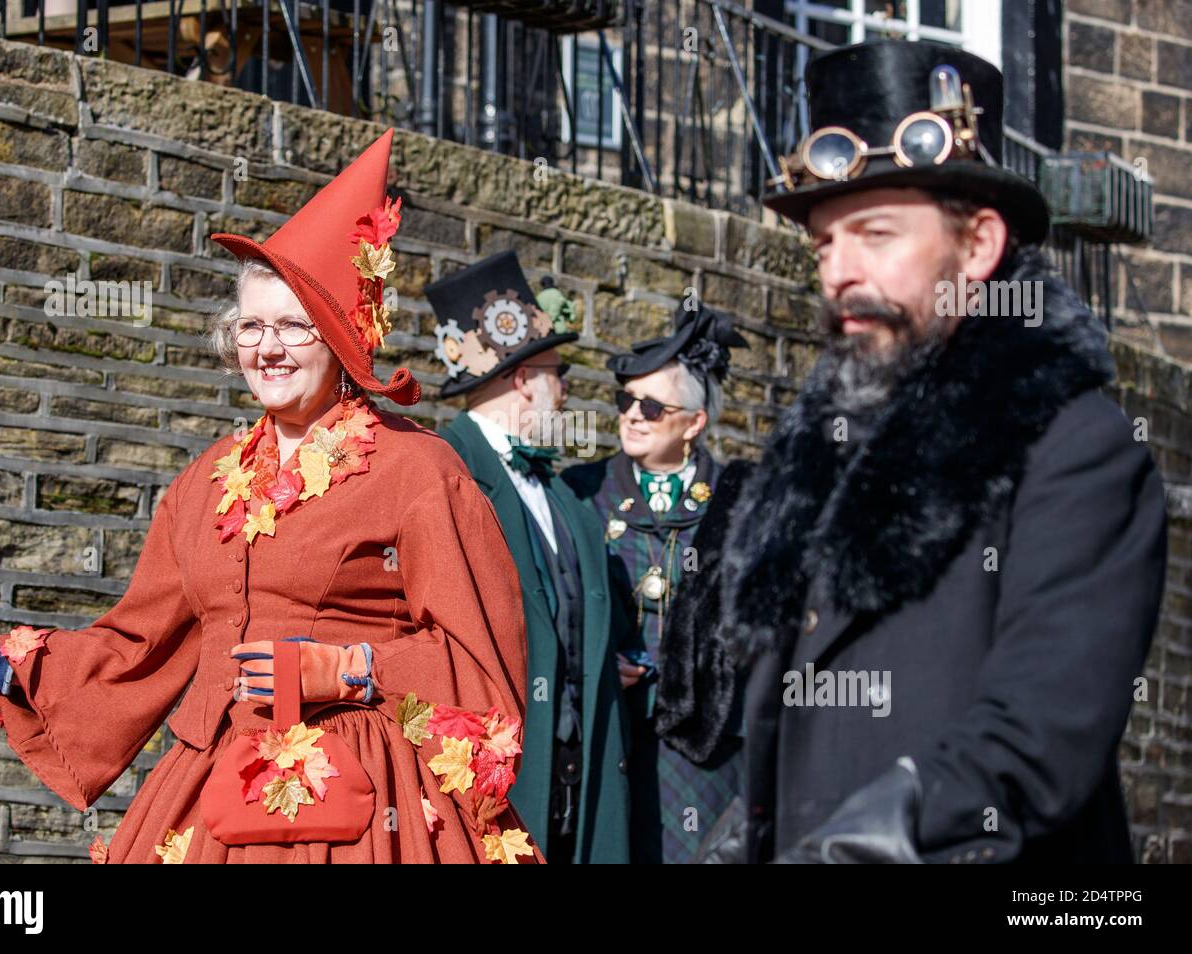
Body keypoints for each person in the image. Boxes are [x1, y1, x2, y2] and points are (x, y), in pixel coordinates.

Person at [0, 129, 542, 864]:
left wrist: (352, 669)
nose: (267, 348)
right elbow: (139, 645)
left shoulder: (419, 470)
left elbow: (482, 663)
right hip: (211, 794)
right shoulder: (204, 483)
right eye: (251, 326)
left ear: (342, 339)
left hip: (374, 803)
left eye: (293, 327)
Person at [685, 40, 1167, 863]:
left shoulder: (1078, 447)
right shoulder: (820, 461)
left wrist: (856, 848)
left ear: (978, 248)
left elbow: (1037, 739)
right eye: (824, 245)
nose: (839, 272)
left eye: (874, 233)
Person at [426, 251, 632, 863]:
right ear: (523, 379)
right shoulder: (444, 468)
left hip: (577, 771)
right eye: (558, 374)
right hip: (493, 776)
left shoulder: (564, 495)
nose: (565, 393)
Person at [562, 303, 748, 864]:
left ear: (694, 423)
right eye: (625, 401)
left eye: (650, 406)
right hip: (610, 728)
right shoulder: (583, 491)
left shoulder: (741, 501)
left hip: (702, 739)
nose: (632, 416)